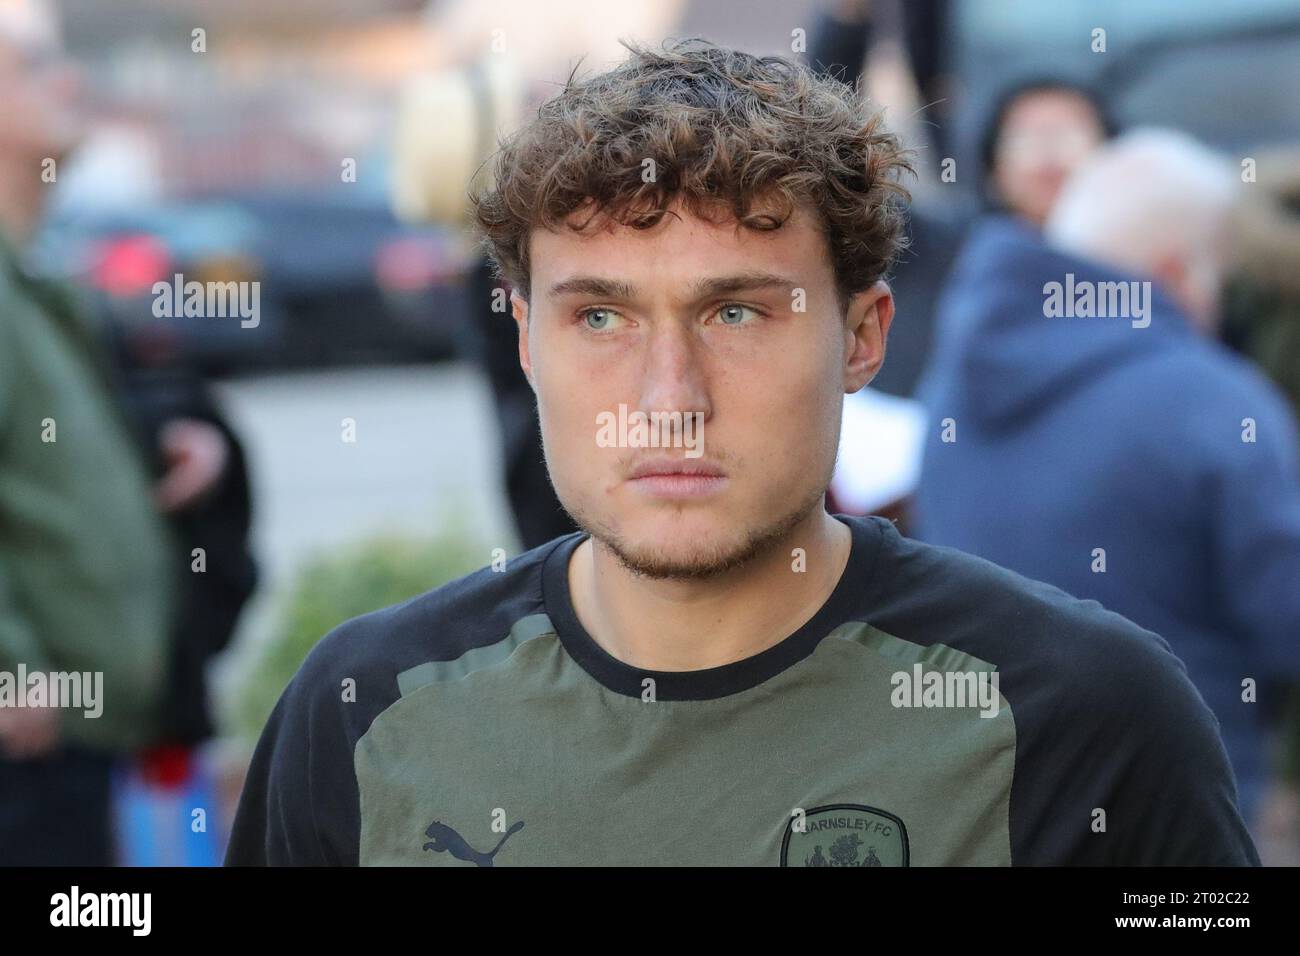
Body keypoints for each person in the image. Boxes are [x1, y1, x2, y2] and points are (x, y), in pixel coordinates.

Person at [227, 41, 1256, 866]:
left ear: (862, 336)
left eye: (735, 311)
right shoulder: (365, 708)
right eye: (600, 318)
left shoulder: (1085, 713)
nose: (668, 398)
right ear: (526, 338)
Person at [913, 129, 1300, 834]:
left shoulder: (953, 379)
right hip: (1176, 821)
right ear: (1177, 272)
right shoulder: (1218, 400)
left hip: (981, 804)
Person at [0, 0, 238, 864]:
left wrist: (166, 436)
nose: (67, 80)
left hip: (79, 732)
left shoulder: (32, 273)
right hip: (28, 736)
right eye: (29, 67)